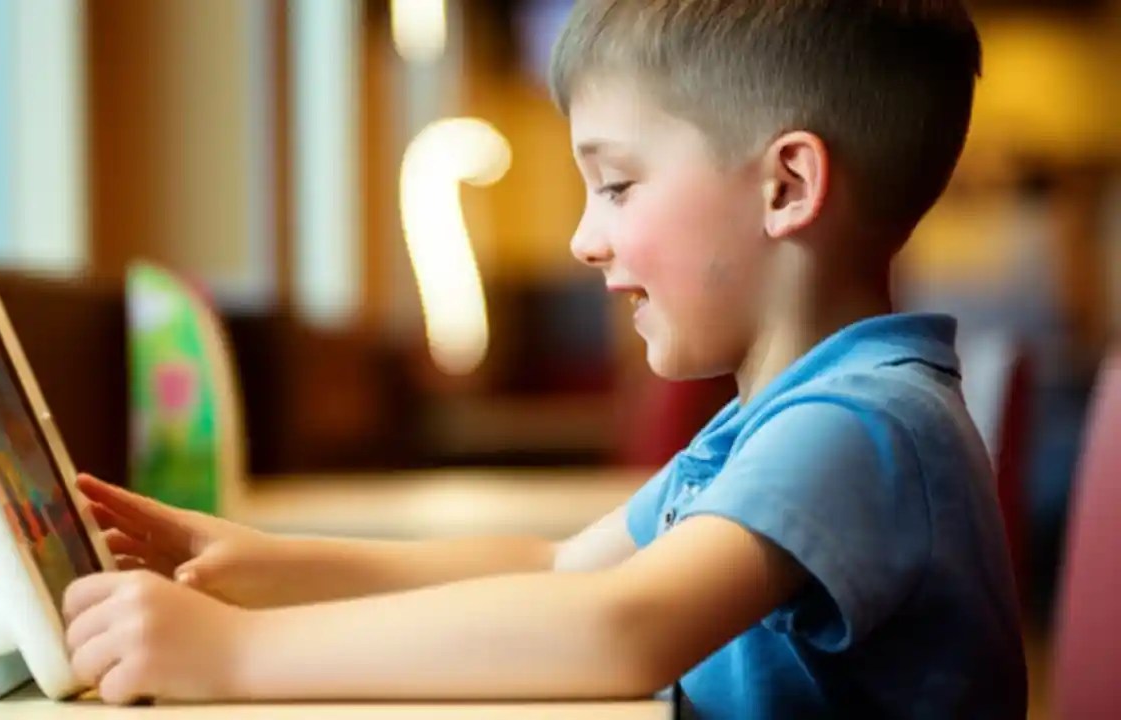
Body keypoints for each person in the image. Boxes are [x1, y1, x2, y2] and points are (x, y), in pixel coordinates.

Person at [61, 1, 1027, 716]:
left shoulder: (859, 426)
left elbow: (620, 629)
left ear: (787, 186)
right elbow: (561, 567)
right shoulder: (779, 418)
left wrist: (235, 657)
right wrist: (259, 565)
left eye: (617, 185)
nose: (583, 240)